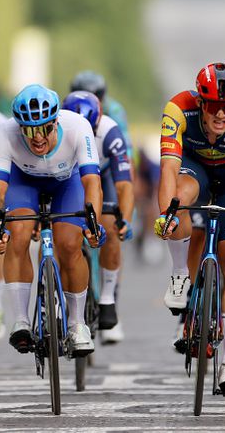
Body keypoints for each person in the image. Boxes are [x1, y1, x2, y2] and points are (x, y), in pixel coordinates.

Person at [155, 62, 225, 394]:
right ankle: (179, 274)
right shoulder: (178, 109)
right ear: (201, 102)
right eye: (215, 106)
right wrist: (167, 215)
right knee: (179, 198)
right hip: (195, 170)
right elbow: (168, 169)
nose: (221, 114)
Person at [0, 85, 105, 358]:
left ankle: (77, 325)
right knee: (17, 233)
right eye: (28, 130)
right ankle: (21, 321)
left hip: (66, 184)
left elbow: (92, 183)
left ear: (56, 122)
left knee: (69, 244)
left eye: (44, 129)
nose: (37, 137)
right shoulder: (5, 132)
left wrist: (92, 223)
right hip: (23, 183)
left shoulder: (77, 127)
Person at [64, 90, 134, 344]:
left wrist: (124, 218)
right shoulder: (57, 127)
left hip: (102, 175)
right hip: (69, 176)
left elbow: (125, 184)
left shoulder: (110, 132)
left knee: (110, 226)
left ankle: (107, 297)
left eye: (91, 131)